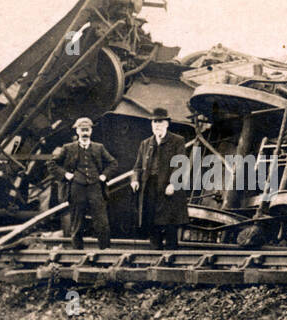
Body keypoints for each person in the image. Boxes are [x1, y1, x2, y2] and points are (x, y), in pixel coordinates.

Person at [49, 117, 118, 250]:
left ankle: (105, 250)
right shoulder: (68, 148)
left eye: (87, 130)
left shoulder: (99, 147)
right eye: (82, 130)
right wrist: (66, 175)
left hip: (95, 189)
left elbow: (113, 163)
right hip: (76, 189)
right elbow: (52, 164)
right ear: (77, 131)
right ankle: (77, 251)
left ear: (91, 131)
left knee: (102, 222)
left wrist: (104, 175)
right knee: (77, 222)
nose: (85, 133)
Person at [131, 107, 190, 249]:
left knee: (170, 224)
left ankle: (171, 257)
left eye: (160, 121)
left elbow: (181, 164)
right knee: (152, 222)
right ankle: (155, 254)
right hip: (149, 186)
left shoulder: (177, 141)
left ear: (167, 124)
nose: (157, 125)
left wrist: (173, 184)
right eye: (154, 122)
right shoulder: (146, 143)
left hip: (168, 188)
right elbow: (137, 166)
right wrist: (134, 179)